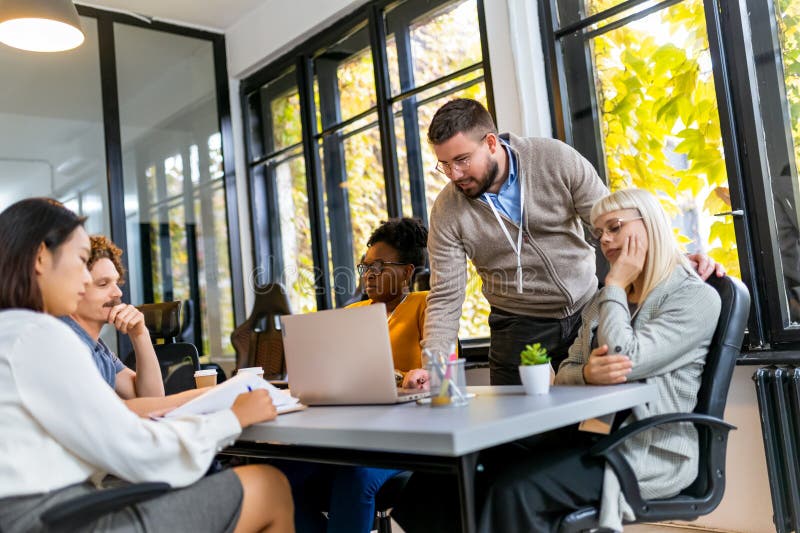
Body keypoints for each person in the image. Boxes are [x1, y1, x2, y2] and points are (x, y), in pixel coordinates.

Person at [393, 188, 722, 532]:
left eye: (615, 227)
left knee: (513, 491)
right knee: (439, 481)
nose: (605, 241)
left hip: (644, 450)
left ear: (650, 226)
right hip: (587, 435)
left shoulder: (692, 297)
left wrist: (615, 284)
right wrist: (588, 373)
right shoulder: (602, 303)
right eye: (599, 234)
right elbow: (565, 371)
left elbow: (627, 359)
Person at [0, 197, 294, 533]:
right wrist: (233, 418)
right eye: (82, 262)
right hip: (56, 520)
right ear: (41, 256)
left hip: (42, 515)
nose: (85, 280)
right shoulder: (41, 336)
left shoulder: (15, 333)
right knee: (268, 486)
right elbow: (134, 448)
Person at [421, 98, 722, 385]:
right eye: (444, 165)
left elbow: (613, 223)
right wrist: (432, 371)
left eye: (462, 160)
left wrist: (674, 258)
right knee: (517, 434)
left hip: (587, 308)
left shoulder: (554, 159)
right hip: (517, 324)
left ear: (490, 143)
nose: (454, 175)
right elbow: (446, 297)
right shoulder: (448, 212)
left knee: (592, 425)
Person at [290, 217, 428, 533]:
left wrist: (404, 376)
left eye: (380, 266)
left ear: (407, 272)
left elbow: (437, 373)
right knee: (284, 474)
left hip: (408, 435)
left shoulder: (426, 304)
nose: (370, 274)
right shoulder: (352, 313)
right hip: (353, 433)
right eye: (365, 266)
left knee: (356, 477)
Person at [60, 235, 170, 414]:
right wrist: (207, 394)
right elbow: (121, 413)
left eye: (116, 283)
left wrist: (140, 335)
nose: (117, 292)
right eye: (103, 284)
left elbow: (153, 398)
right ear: (75, 290)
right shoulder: (67, 344)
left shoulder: (98, 348)